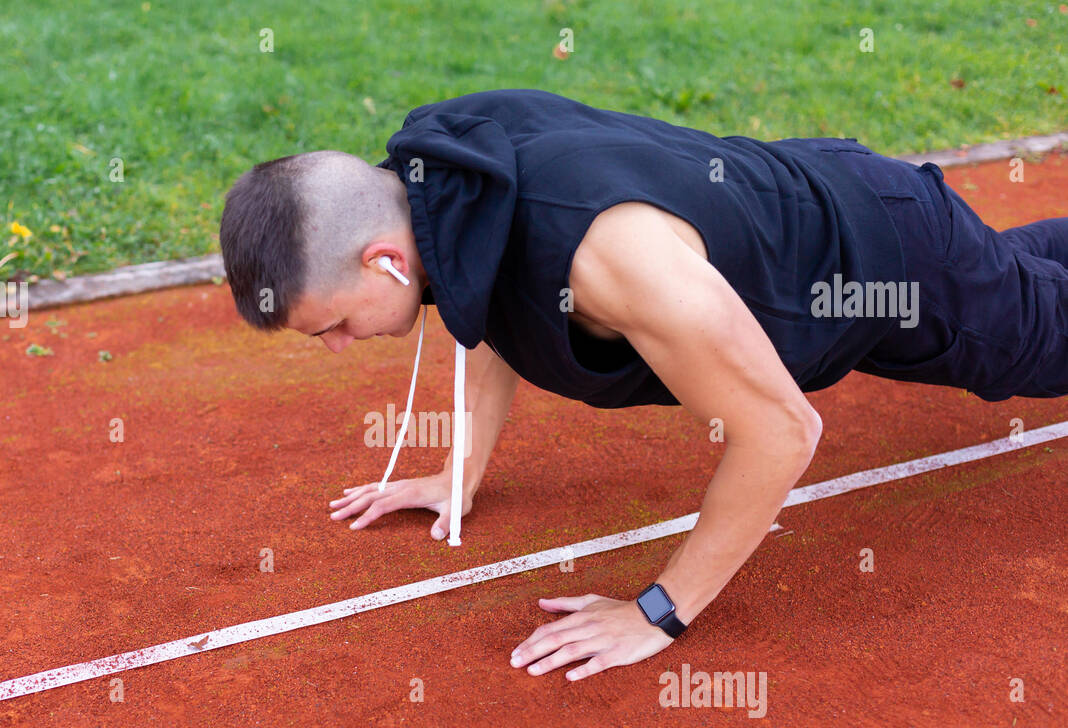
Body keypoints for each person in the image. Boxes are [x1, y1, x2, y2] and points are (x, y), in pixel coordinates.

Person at [218, 88, 1068, 682]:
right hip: (821, 206)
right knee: (1024, 279)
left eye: (328, 323)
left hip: (886, 267)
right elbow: (488, 292)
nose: (335, 346)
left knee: (1041, 342)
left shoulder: (610, 261)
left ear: (384, 260)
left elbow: (782, 431)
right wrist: (458, 473)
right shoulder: (446, 174)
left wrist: (658, 612)